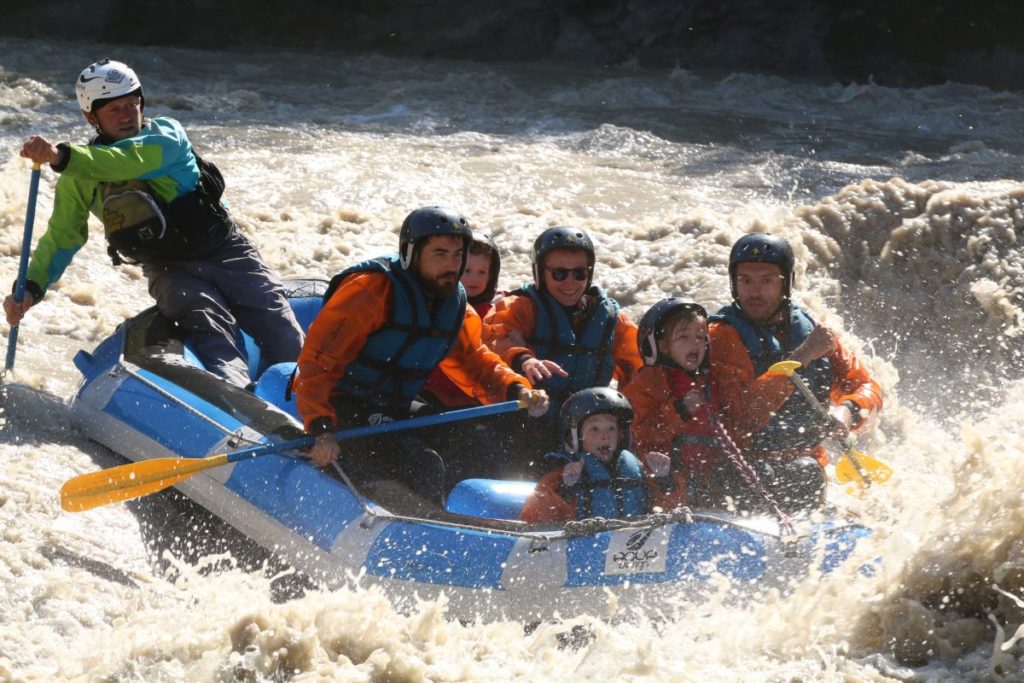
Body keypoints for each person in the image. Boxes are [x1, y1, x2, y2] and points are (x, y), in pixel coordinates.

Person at [6, 59, 303, 387]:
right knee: (214, 333)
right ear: (91, 117)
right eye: (114, 109)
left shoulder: (166, 137)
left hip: (225, 250)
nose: (126, 115)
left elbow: (123, 161)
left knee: (277, 321)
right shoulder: (78, 178)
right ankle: (243, 414)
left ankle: (315, 397)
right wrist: (32, 288)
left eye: (132, 104)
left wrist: (60, 157)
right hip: (168, 270)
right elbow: (63, 237)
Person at [294, 206, 548, 507]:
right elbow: (317, 363)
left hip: (395, 405)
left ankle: (478, 526)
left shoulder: (453, 303)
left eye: (458, 255)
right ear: (411, 254)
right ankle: (422, 538)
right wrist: (321, 428)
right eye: (440, 254)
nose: (452, 265)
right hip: (344, 405)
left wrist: (516, 388)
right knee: (422, 464)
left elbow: (475, 360)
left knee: (476, 444)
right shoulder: (370, 291)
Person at [708, 232, 883, 510]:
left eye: (767, 280)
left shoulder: (812, 331)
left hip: (807, 465)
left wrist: (848, 410)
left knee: (806, 472)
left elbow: (867, 387)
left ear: (786, 283)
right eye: (745, 280)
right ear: (734, 284)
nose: (755, 291)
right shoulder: (721, 336)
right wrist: (801, 358)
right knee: (795, 474)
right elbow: (746, 412)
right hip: (742, 469)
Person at [483, 226, 643, 476]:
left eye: (579, 273)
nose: (570, 283)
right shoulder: (519, 306)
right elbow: (496, 338)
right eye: (559, 273)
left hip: (588, 428)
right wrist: (524, 360)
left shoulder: (611, 318)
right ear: (540, 273)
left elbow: (640, 368)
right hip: (533, 418)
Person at [623, 298, 726, 510]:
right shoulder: (649, 381)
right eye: (684, 337)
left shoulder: (712, 380)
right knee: (669, 479)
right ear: (662, 346)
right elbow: (635, 432)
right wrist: (680, 411)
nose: (695, 343)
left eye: (700, 337)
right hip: (664, 467)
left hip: (708, 468)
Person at [520, 387, 672, 523]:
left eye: (611, 428)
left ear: (621, 435)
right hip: (586, 546)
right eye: (594, 429)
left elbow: (673, 509)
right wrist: (565, 490)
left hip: (635, 548)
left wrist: (664, 480)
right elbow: (535, 517)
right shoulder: (562, 474)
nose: (605, 435)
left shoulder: (641, 469)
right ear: (575, 436)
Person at [420, 232, 504, 409]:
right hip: (433, 393)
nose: (474, 279)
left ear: (492, 276)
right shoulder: (434, 305)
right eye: (467, 271)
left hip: (476, 397)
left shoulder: (498, 310)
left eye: (482, 272)